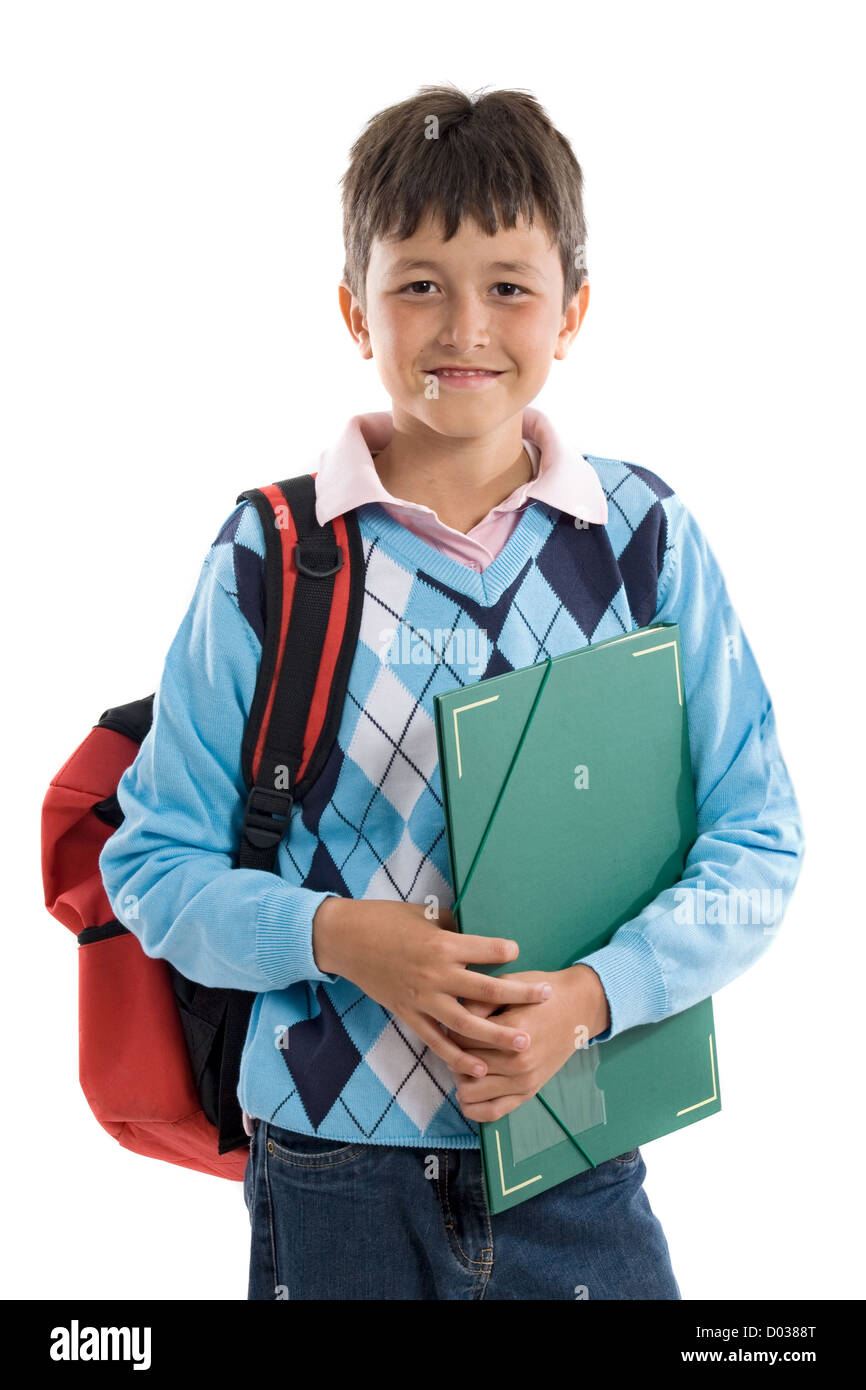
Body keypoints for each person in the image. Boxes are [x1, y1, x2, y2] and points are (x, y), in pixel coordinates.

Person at [98, 84, 804, 1300]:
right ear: (350, 307)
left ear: (571, 311)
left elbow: (756, 842)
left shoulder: (642, 539)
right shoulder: (272, 554)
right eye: (417, 282)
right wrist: (334, 936)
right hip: (330, 1174)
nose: (462, 324)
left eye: (509, 286)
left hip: (573, 1151)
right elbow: (151, 866)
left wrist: (588, 998)